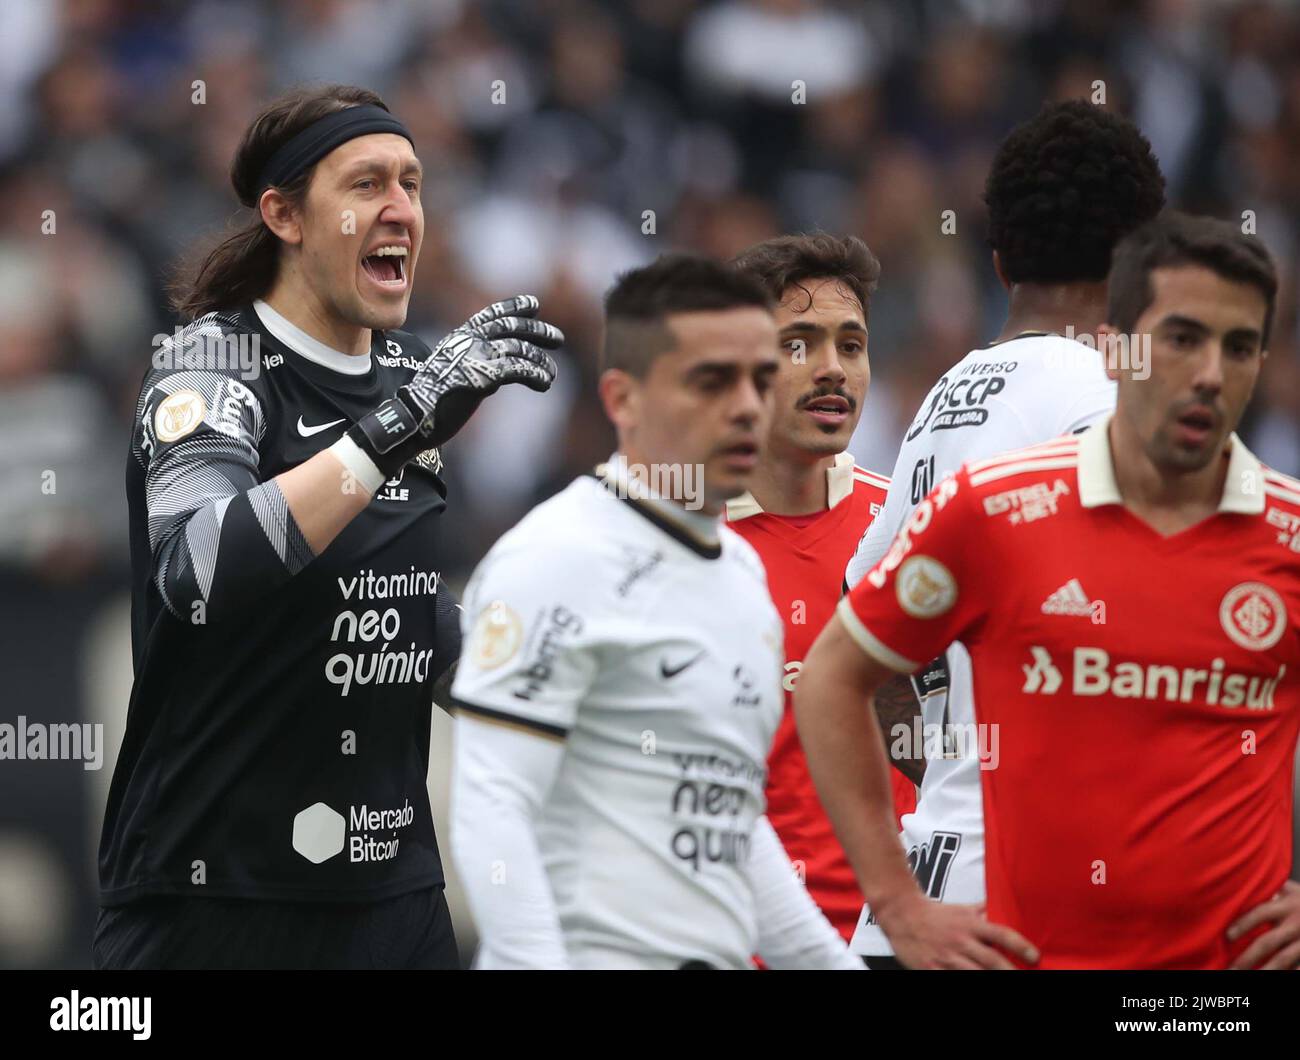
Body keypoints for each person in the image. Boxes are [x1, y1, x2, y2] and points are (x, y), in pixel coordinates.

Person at [94, 84, 563, 969]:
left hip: (391, 896)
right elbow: (197, 571)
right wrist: (397, 430)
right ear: (284, 214)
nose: (401, 210)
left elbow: (402, 610)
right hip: (212, 896)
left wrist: (570, 693)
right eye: (366, 185)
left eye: (413, 184)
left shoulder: (411, 379)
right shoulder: (212, 368)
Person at [797, 211, 1300, 969]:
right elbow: (834, 677)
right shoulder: (998, 508)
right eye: (1183, 339)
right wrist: (900, 901)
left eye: (1239, 347)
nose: (1208, 373)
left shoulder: (1288, 536)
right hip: (1011, 946)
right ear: (1118, 341)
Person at [449, 254, 859, 969]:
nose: (746, 406)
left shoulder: (740, 574)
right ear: (622, 399)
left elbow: (733, 820)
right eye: (711, 380)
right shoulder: (556, 556)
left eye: (761, 378)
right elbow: (493, 809)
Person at [841, 100, 1166, 966]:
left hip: (921, 905)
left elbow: (860, 649)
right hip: (1051, 912)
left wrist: (956, 773)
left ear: (998, 259)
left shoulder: (941, 402)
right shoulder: (1108, 400)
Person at [725, 232, 913, 943]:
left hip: (897, 946)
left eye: (852, 345)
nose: (832, 369)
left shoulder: (914, 527)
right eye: (799, 344)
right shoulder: (677, 549)